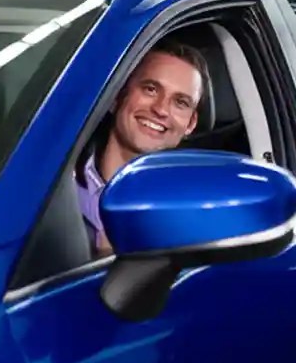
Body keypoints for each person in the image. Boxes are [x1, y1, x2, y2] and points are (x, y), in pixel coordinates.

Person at [76, 38, 208, 256]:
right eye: (150, 89)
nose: (161, 110)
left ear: (190, 123)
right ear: (116, 97)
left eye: (180, 102)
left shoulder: (192, 213)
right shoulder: (55, 182)